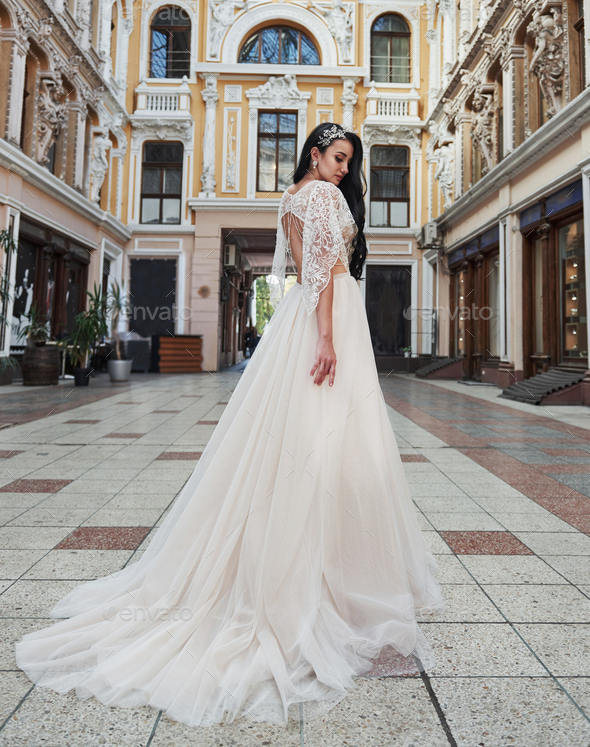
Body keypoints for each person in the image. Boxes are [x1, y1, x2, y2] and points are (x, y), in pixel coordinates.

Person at [14, 123, 444, 728]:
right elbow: (320, 268)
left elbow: (296, 270)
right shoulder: (320, 196)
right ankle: (328, 574)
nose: (345, 170)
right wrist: (327, 337)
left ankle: (306, 560)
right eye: (338, 157)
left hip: (304, 316)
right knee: (332, 437)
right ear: (315, 154)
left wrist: (317, 324)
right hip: (327, 318)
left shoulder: (291, 196)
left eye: (350, 162)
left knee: (301, 438)